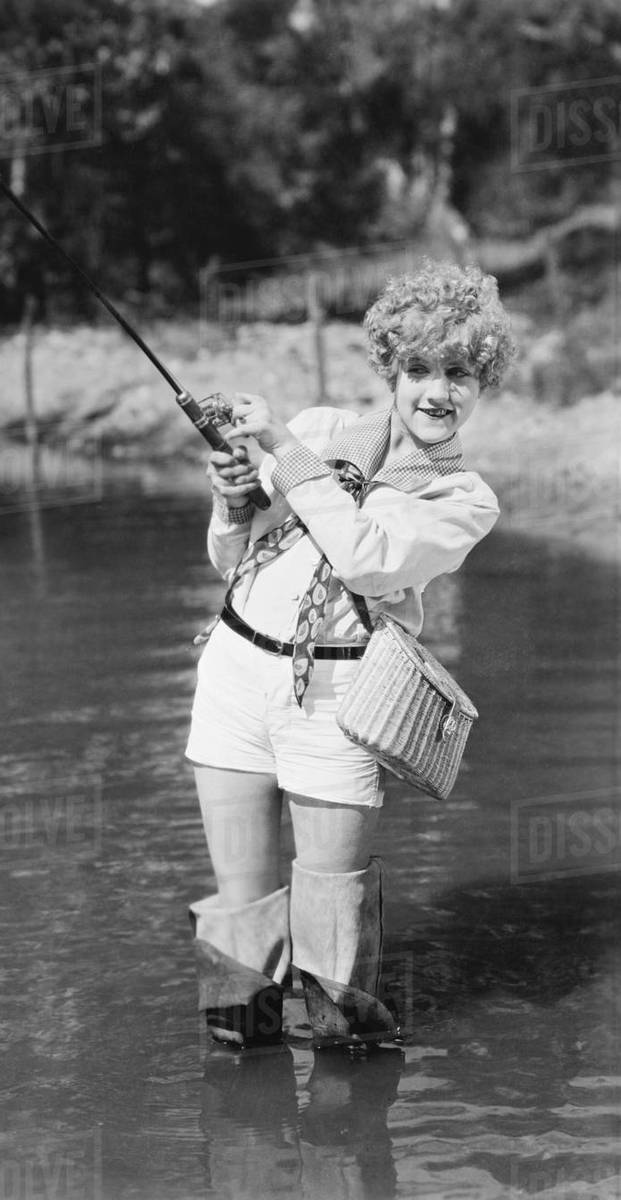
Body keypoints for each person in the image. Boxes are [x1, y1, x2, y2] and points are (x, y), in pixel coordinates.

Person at [186, 259, 517, 1051]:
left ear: (482, 382)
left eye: (459, 374)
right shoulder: (321, 427)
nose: (436, 392)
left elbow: (365, 558)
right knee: (239, 913)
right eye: (419, 369)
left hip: (340, 701)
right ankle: (243, 1083)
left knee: (331, 927)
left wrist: (279, 446)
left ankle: (345, 1080)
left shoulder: (461, 497)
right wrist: (232, 499)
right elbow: (230, 558)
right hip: (233, 675)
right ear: (390, 369)